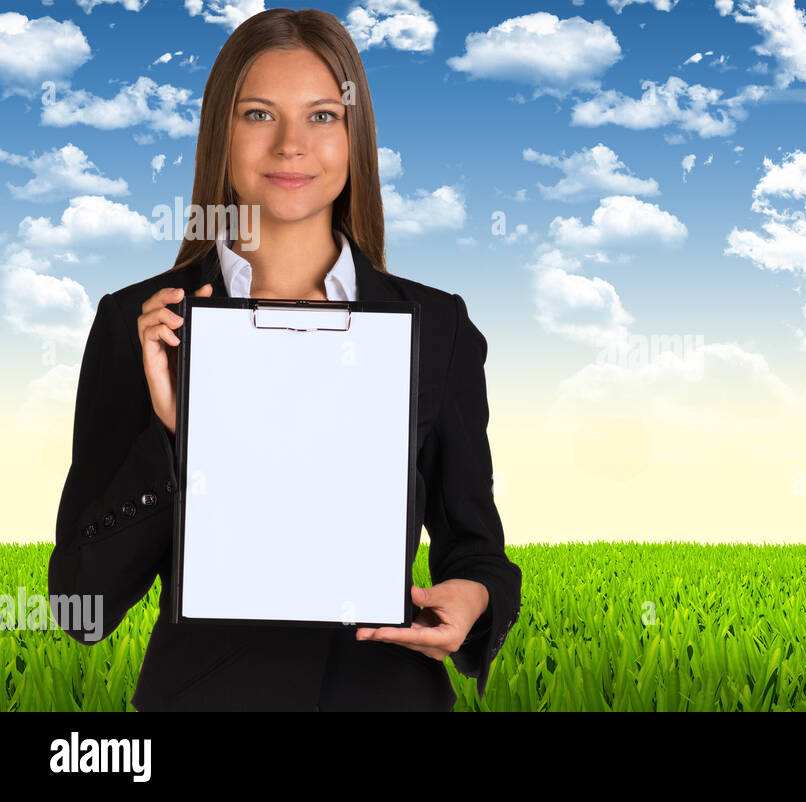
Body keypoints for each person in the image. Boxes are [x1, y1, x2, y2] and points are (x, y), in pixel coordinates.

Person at [46, 8, 521, 711]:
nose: (292, 145)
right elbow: (79, 604)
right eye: (261, 114)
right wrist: (176, 437)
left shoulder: (435, 324)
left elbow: (475, 544)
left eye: (324, 116)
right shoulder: (142, 323)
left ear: (355, 136)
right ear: (221, 134)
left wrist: (473, 597)